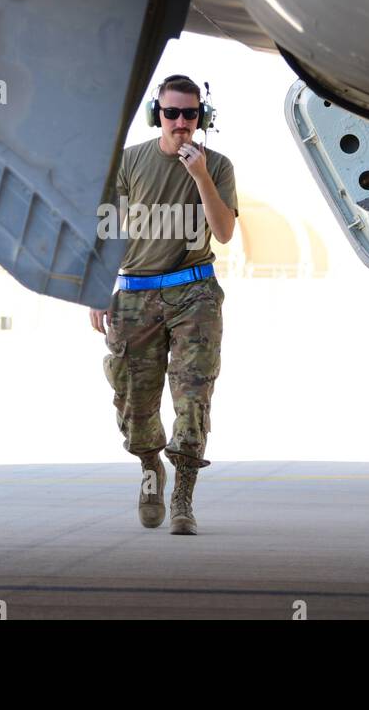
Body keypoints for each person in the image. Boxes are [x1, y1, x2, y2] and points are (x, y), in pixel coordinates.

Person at [88, 74, 238, 535]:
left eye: (189, 114)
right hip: (135, 293)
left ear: (201, 117)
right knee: (134, 400)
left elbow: (225, 231)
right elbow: (107, 228)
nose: (180, 123)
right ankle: (151, 465)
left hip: (194, 291)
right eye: (171, 113)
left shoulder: (219, 166)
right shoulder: (130, 162)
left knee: (193, 397)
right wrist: (96, 287)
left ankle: (183, 495)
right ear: (158, 115)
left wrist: (200, 176)